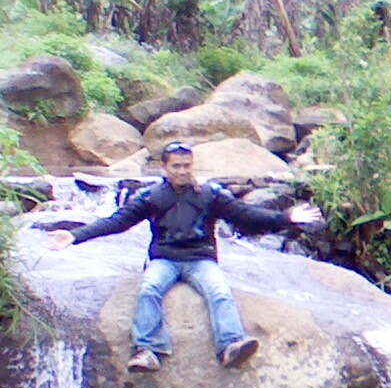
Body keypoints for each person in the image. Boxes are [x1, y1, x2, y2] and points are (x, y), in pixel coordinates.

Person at [44, 141, 316, 372]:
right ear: (165, 167)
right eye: (177, 166)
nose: (183, 171)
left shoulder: (210, 195)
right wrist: (75, 236)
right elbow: (118, 221)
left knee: (219, 292)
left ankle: (231, 346)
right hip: (165, 259)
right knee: (150, 289)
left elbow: (246, 215)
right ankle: (148, 351)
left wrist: (286, 218)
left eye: (187, 165)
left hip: (200, 259)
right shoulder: (151, 196)